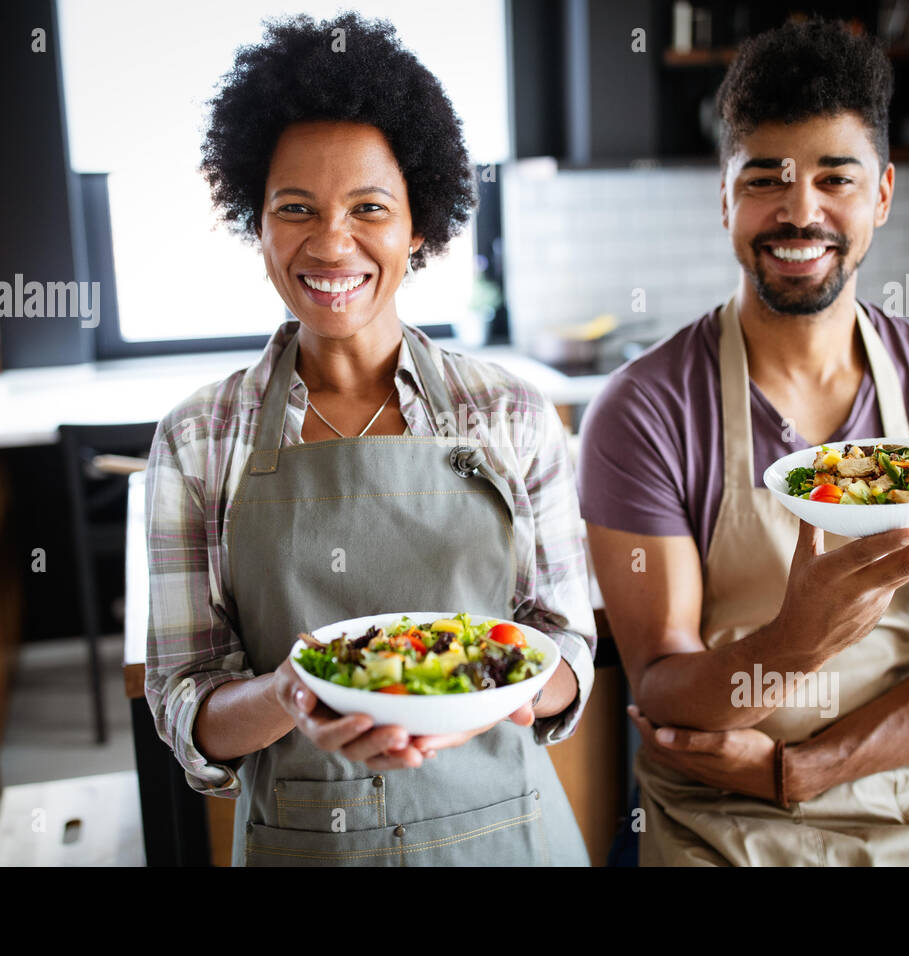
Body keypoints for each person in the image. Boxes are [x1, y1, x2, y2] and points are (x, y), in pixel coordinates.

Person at [579, 19, 909, 866]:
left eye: (836, 178)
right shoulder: (642, 411)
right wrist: (797, 641)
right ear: (723, 197)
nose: (800, 212)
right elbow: (664, 685)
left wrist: (805, 768)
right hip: (722, 810)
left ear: (884, 195)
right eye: (764, 180)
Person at [144, 12, 593, 867]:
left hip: (508, 835)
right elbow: (184, 704)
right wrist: (291, 693)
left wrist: (494, 691)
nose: (331, 242)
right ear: (258, 224)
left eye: (369, 208)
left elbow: (567, 642)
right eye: (295, 209)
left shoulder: (512, 414)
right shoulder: (198, 441)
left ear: (418, 225)